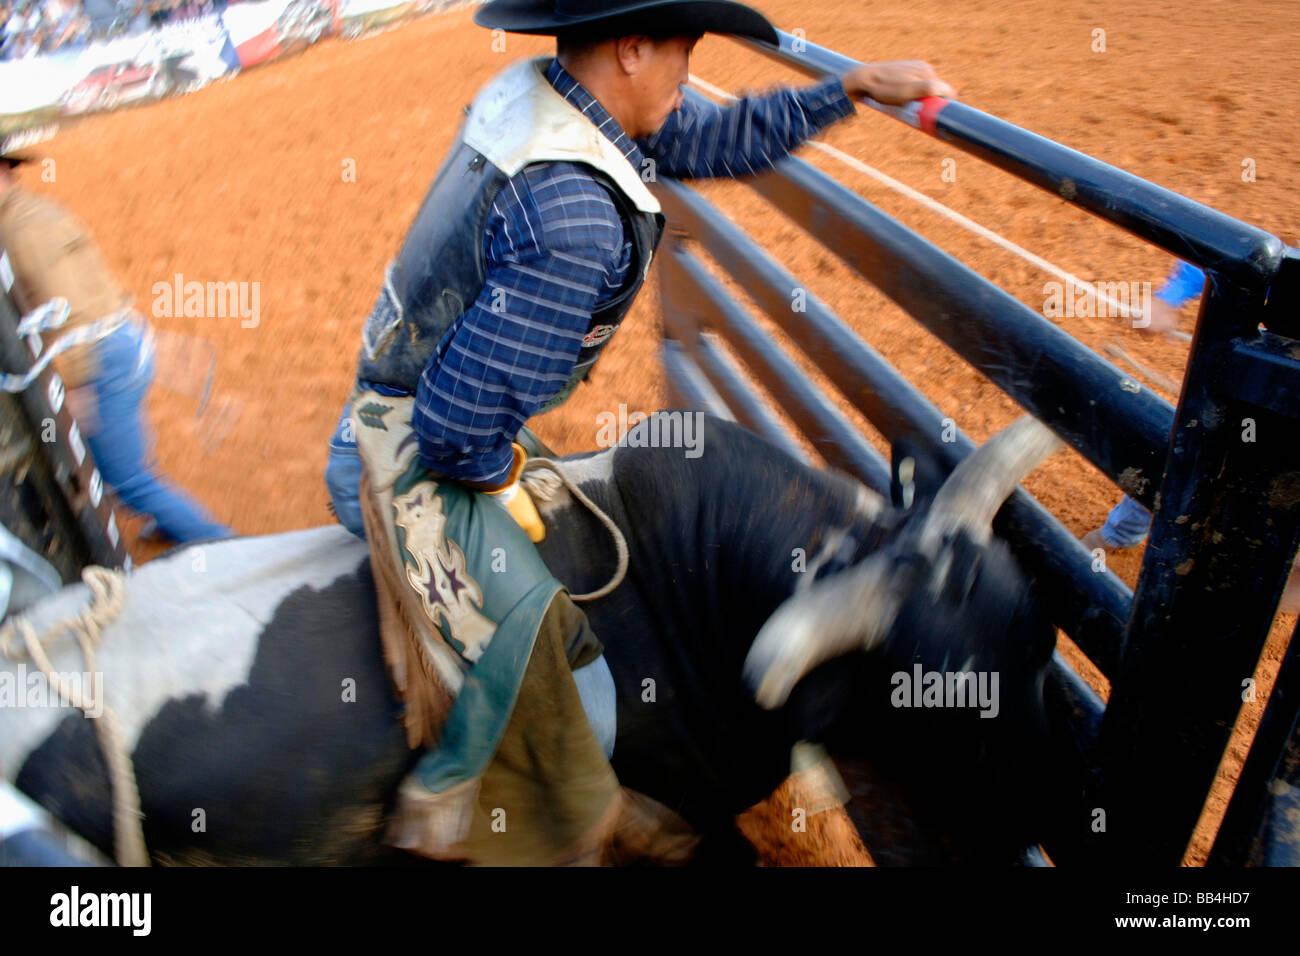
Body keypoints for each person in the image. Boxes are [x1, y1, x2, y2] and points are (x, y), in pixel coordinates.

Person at [326, 0, 954, 863]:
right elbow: (454, 429)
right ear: (631, 48)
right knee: (557, 653)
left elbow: (712, 138)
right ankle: (459, 808)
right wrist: (501, 470)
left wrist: (848, 89)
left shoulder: (547, 97)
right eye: (683, 55)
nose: (687, 78)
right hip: (412, 442)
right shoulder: (576, 223)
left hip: (396, 390)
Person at [0, 136, 232, 545]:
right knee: (105, 459)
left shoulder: (21, 231)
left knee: (128, 480)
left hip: (101, 359)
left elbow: (65, 308)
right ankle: (174, 523)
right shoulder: (32, 212)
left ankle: (218, 542)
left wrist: (77, 385)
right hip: (122, 345)